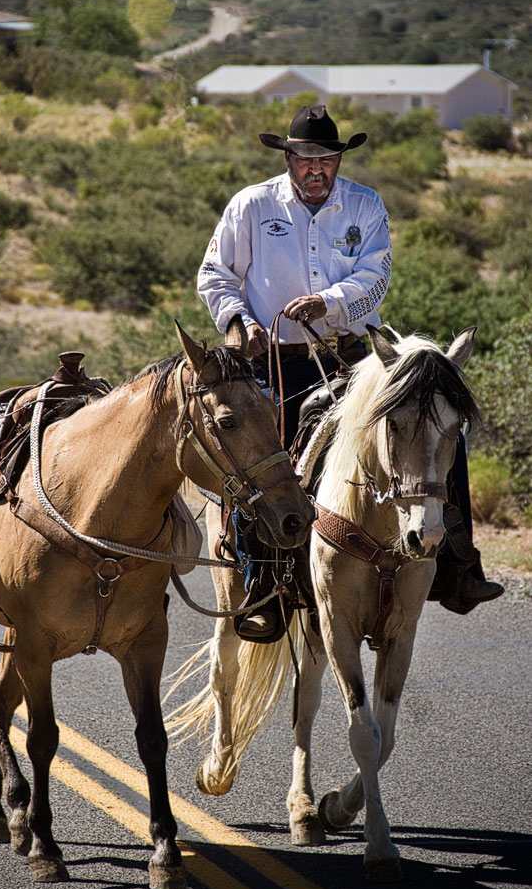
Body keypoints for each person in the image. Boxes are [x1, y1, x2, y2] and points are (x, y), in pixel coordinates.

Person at [197, 104, 503, 638]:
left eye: (326, 159)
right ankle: (261, 585)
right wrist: (238, 321)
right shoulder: (251, 206)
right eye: (305, 159)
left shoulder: (365, 205)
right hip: (277, 360)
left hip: (355, 357)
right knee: (258, 459)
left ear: (338, 160)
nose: (316, 169)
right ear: (288, 158)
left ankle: (459, 562)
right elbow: (214, 275)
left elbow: (375, 277)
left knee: (438, 422)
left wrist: (329, 302)